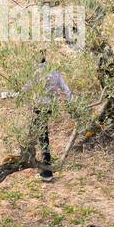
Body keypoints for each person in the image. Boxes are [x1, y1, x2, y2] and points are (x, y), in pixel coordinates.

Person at [35, 53, 72, 182]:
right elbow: (66, 89)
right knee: (41, 136)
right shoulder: (54, 72)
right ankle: (43, 168)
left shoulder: (36, 72)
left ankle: (46, 171)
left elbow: (26, 88)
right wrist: (72, 103)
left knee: (42, 137)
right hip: (49, 106)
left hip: (39, 107)